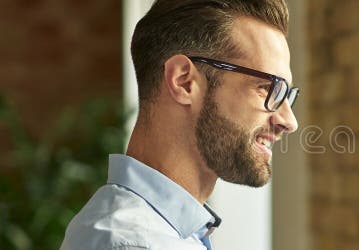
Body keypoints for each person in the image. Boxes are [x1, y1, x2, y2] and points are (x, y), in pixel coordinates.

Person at [60, 0, 298, 249]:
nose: (289, 121)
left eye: (287, 95)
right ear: (184, 81)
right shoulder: (134, 243)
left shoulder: (170, 233)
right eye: (267, 88)